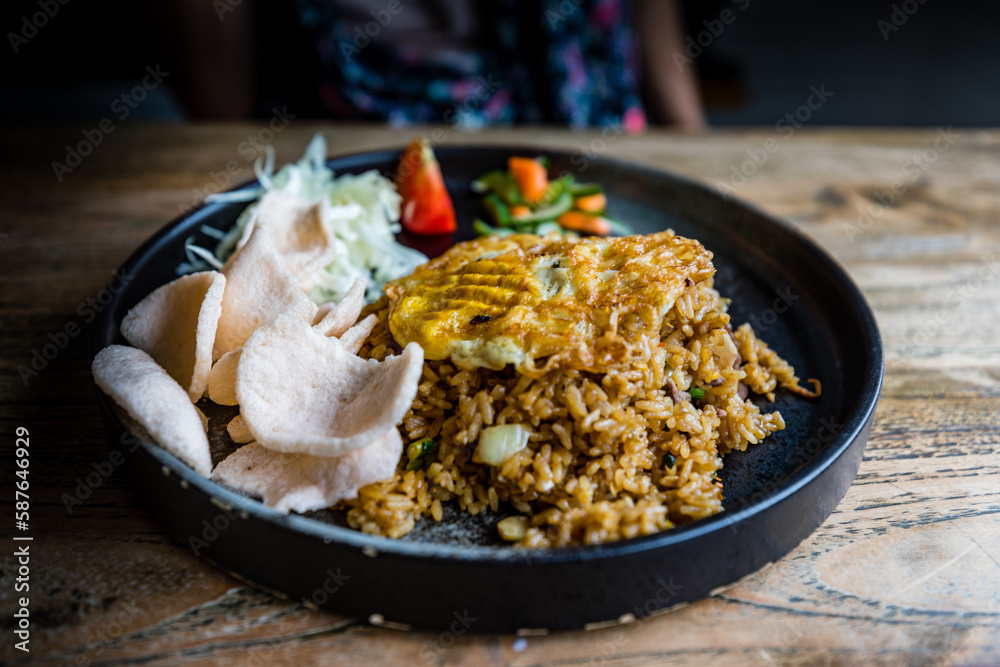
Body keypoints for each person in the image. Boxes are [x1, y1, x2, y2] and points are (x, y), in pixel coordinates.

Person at [149, 0, 705, 130]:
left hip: (589, 105)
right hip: (342, 128)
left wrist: (687, 132)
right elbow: (219, 103)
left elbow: (653, 14)